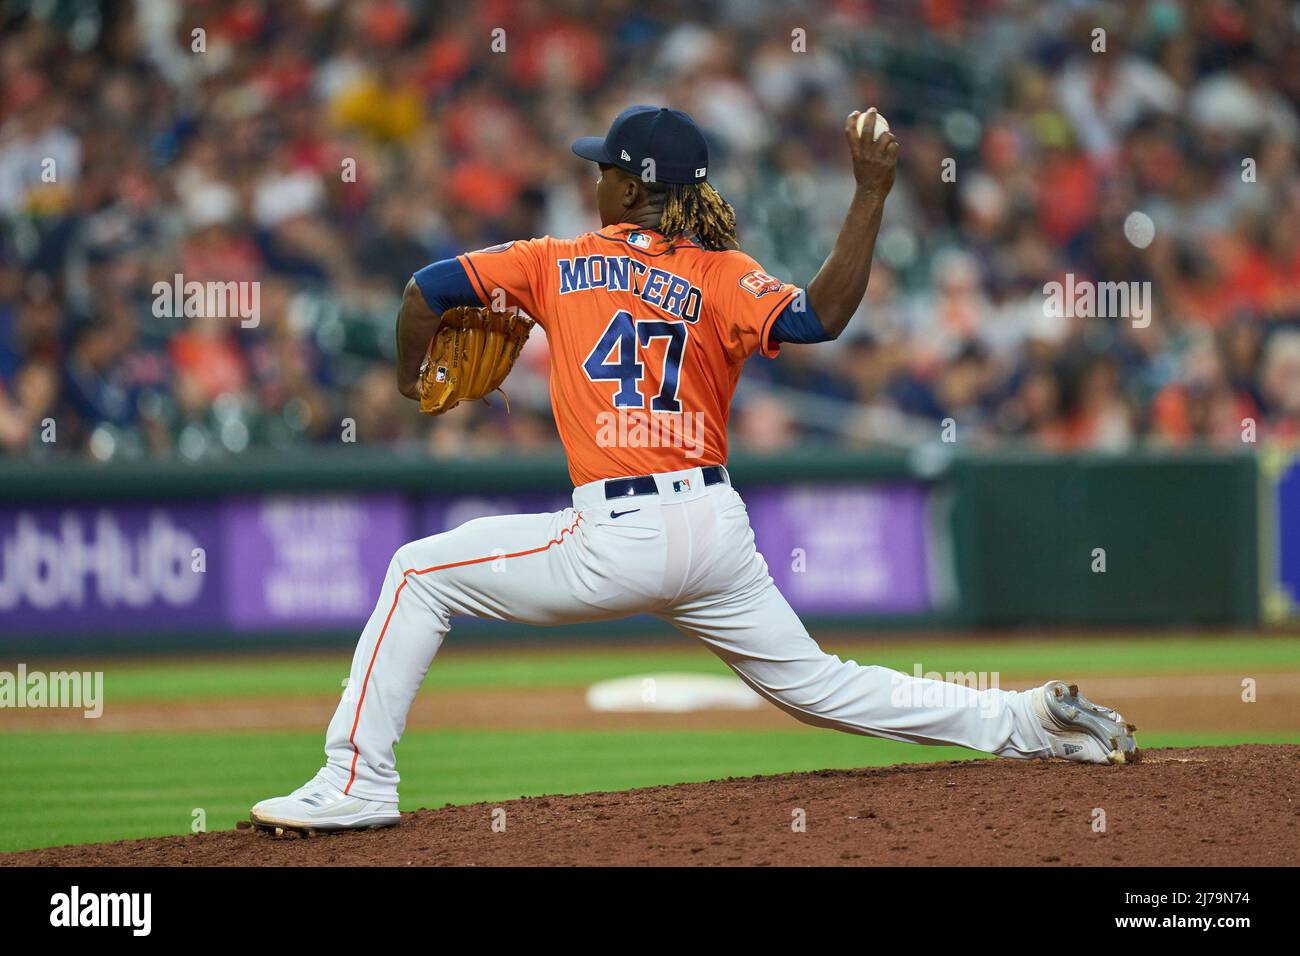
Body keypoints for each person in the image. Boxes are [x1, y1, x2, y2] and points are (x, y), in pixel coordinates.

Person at [251, 105, 1138, 833]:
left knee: (417, 573)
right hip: (714, 531)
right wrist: (869, 196)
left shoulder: (556, 261)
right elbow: (820, 317)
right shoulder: (722, 273)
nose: (593, 176)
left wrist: (413, 381)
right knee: (821, 685)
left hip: (615, 533)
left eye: (605, 167)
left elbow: (424, 290)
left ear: (633, 186)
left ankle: (357, 781)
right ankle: (1023, 721)